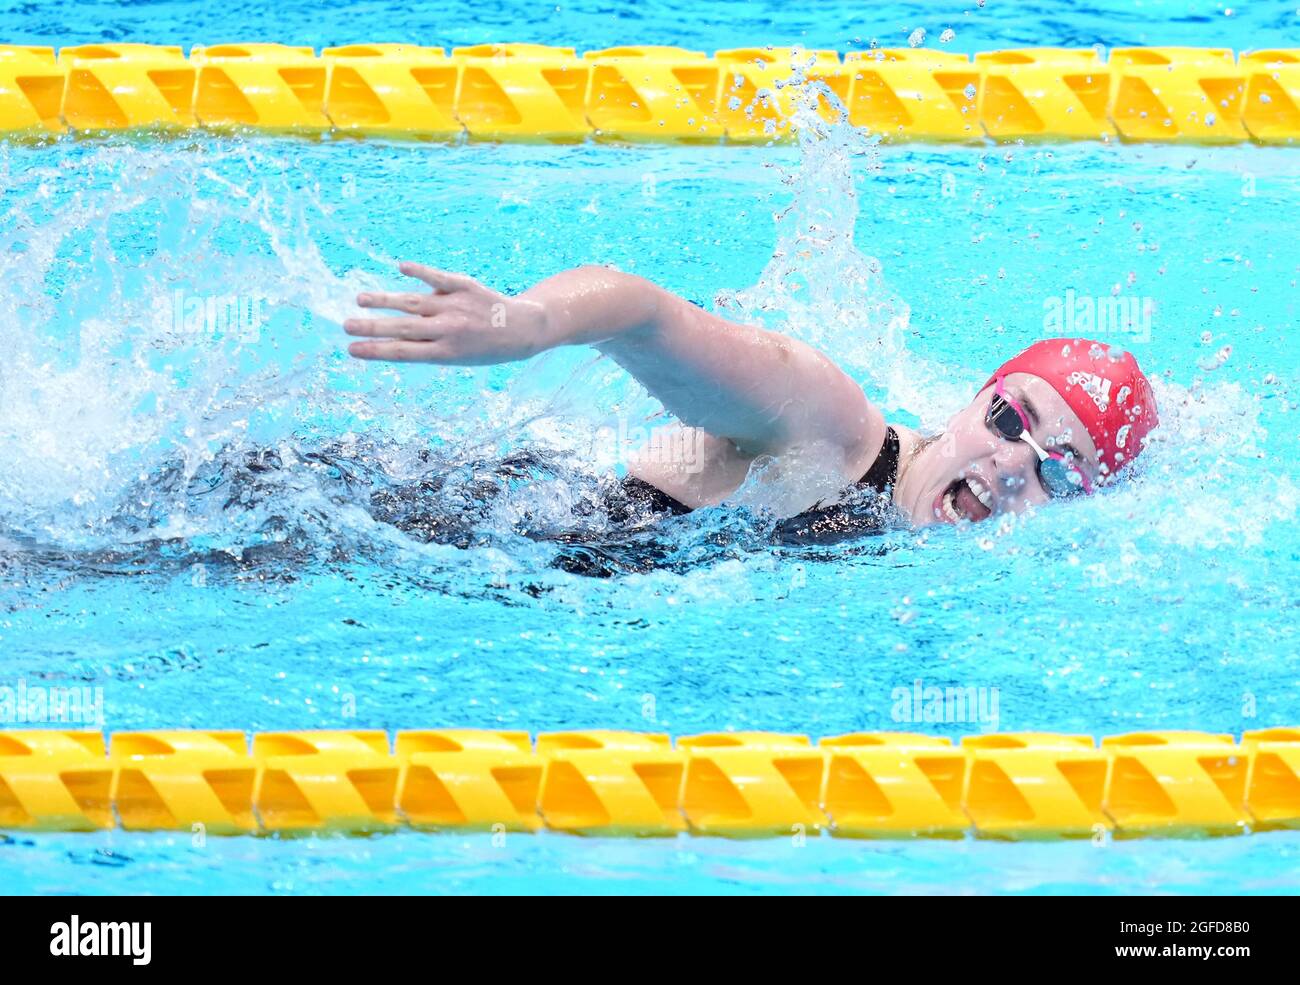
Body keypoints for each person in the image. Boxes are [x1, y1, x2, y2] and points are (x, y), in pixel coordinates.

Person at [343, 262, 1160, 538]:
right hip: (391, 519)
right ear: (969, 402)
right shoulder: (835, 430)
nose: (1013, 462)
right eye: (1011, 418)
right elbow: (644, 310)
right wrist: (525, 323)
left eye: (1061, 470)